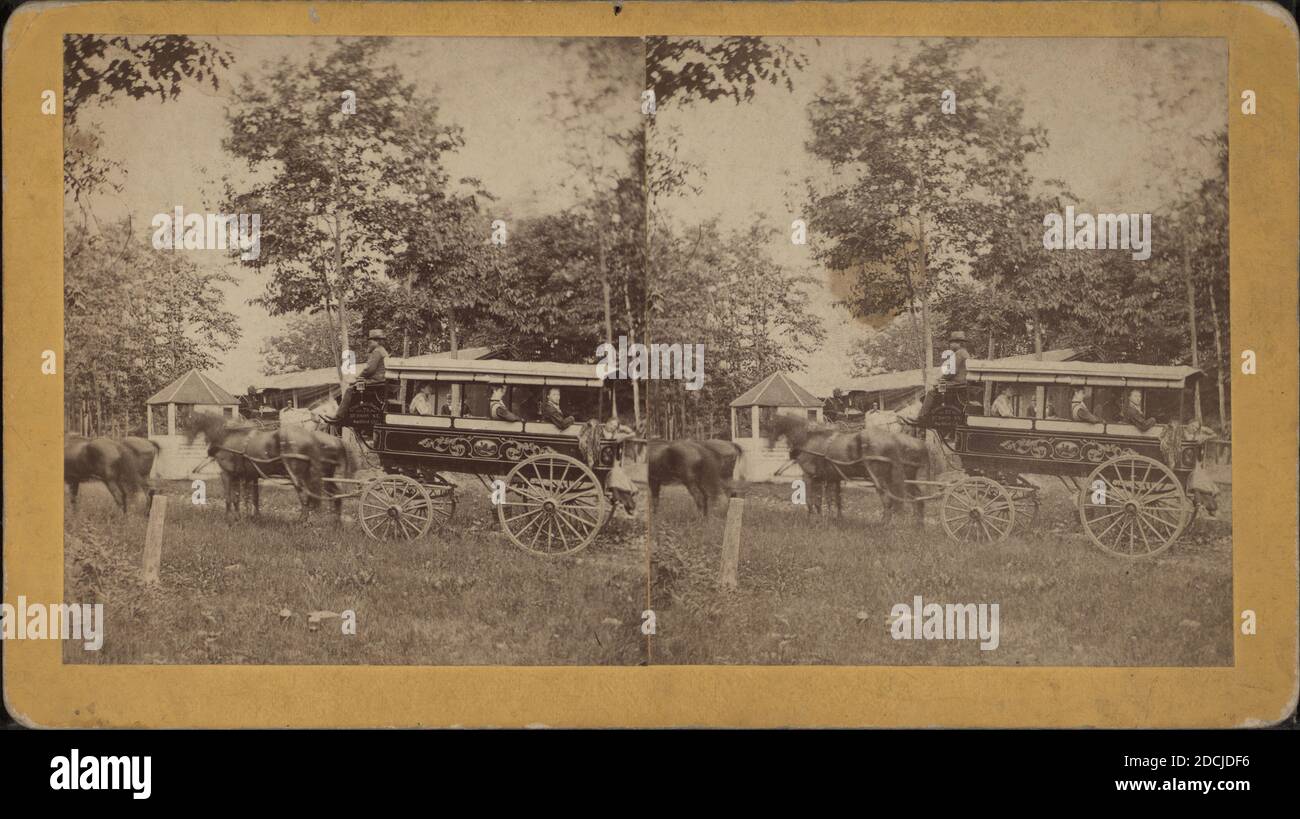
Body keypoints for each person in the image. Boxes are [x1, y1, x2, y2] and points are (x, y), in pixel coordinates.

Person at [322, 329, 388, 424]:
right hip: (379, 381)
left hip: (375, 381)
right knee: (353, 386)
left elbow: (369, 370)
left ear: (377, 342)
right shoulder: (383, 351)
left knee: (350, 389)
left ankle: (339, 416)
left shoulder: (377, 352)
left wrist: (358, 379)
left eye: (370, 342)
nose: (368, 344)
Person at [918, 330, 970, 422]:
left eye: (952, 343)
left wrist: (940, 380)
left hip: (956, 384)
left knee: (931, 392)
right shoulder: (965, 353)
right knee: (935, 388)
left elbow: (951, 372)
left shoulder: (959, 354)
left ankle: (923, 416)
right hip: (960, 383)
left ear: (959, 343)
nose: (950, 345)